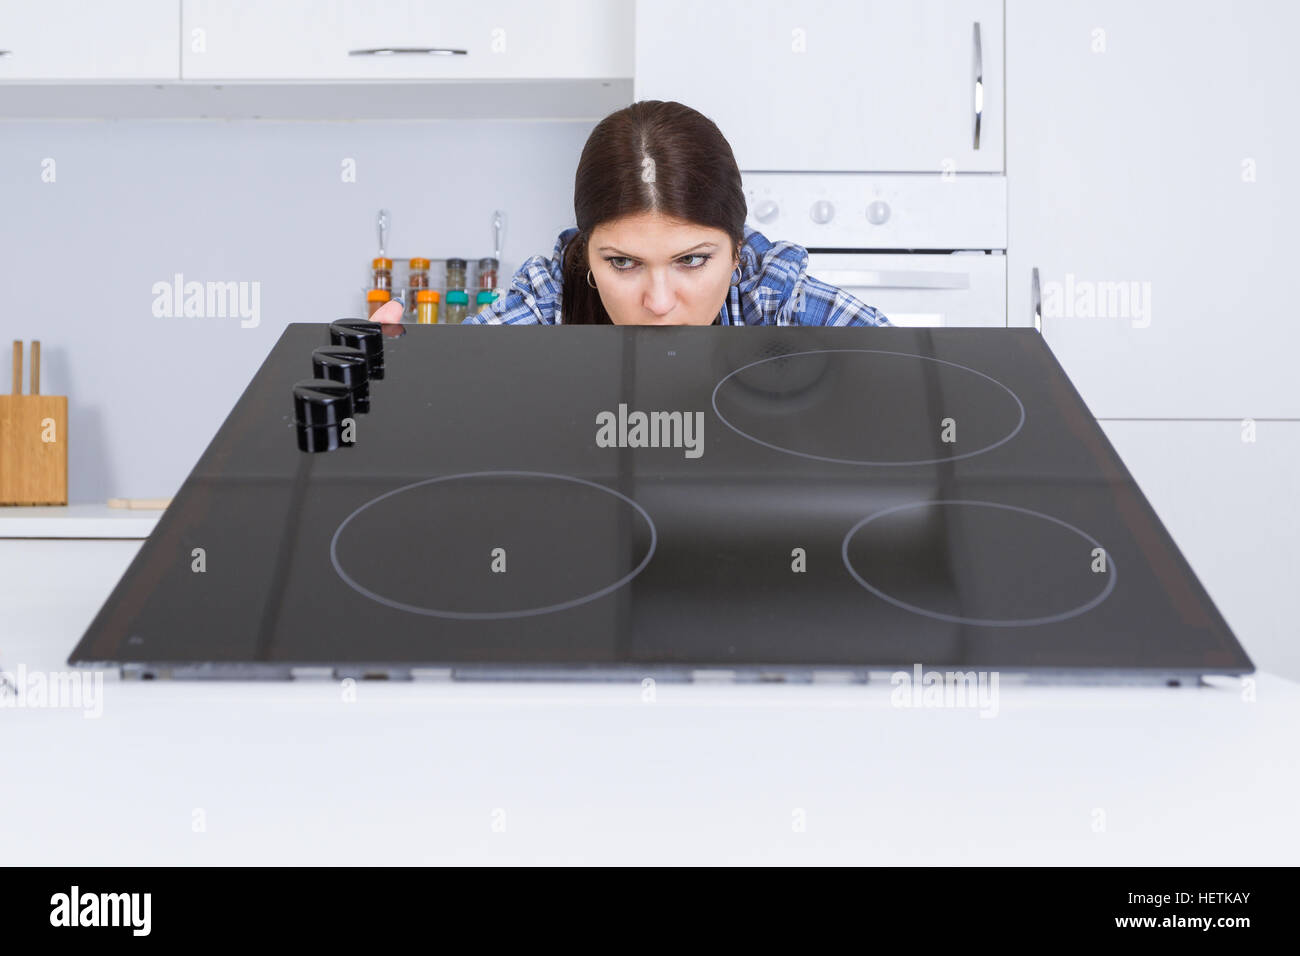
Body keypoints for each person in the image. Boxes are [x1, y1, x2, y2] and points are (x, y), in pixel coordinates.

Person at [371, 100, 891, 328]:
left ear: (737, 254)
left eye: (691, 261)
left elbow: (928, 384)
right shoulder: (554, 301)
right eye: (623, 263)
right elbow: (449, 380)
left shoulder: (773, 299)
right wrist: (393, 378)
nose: (659, 304)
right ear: (586, 257)